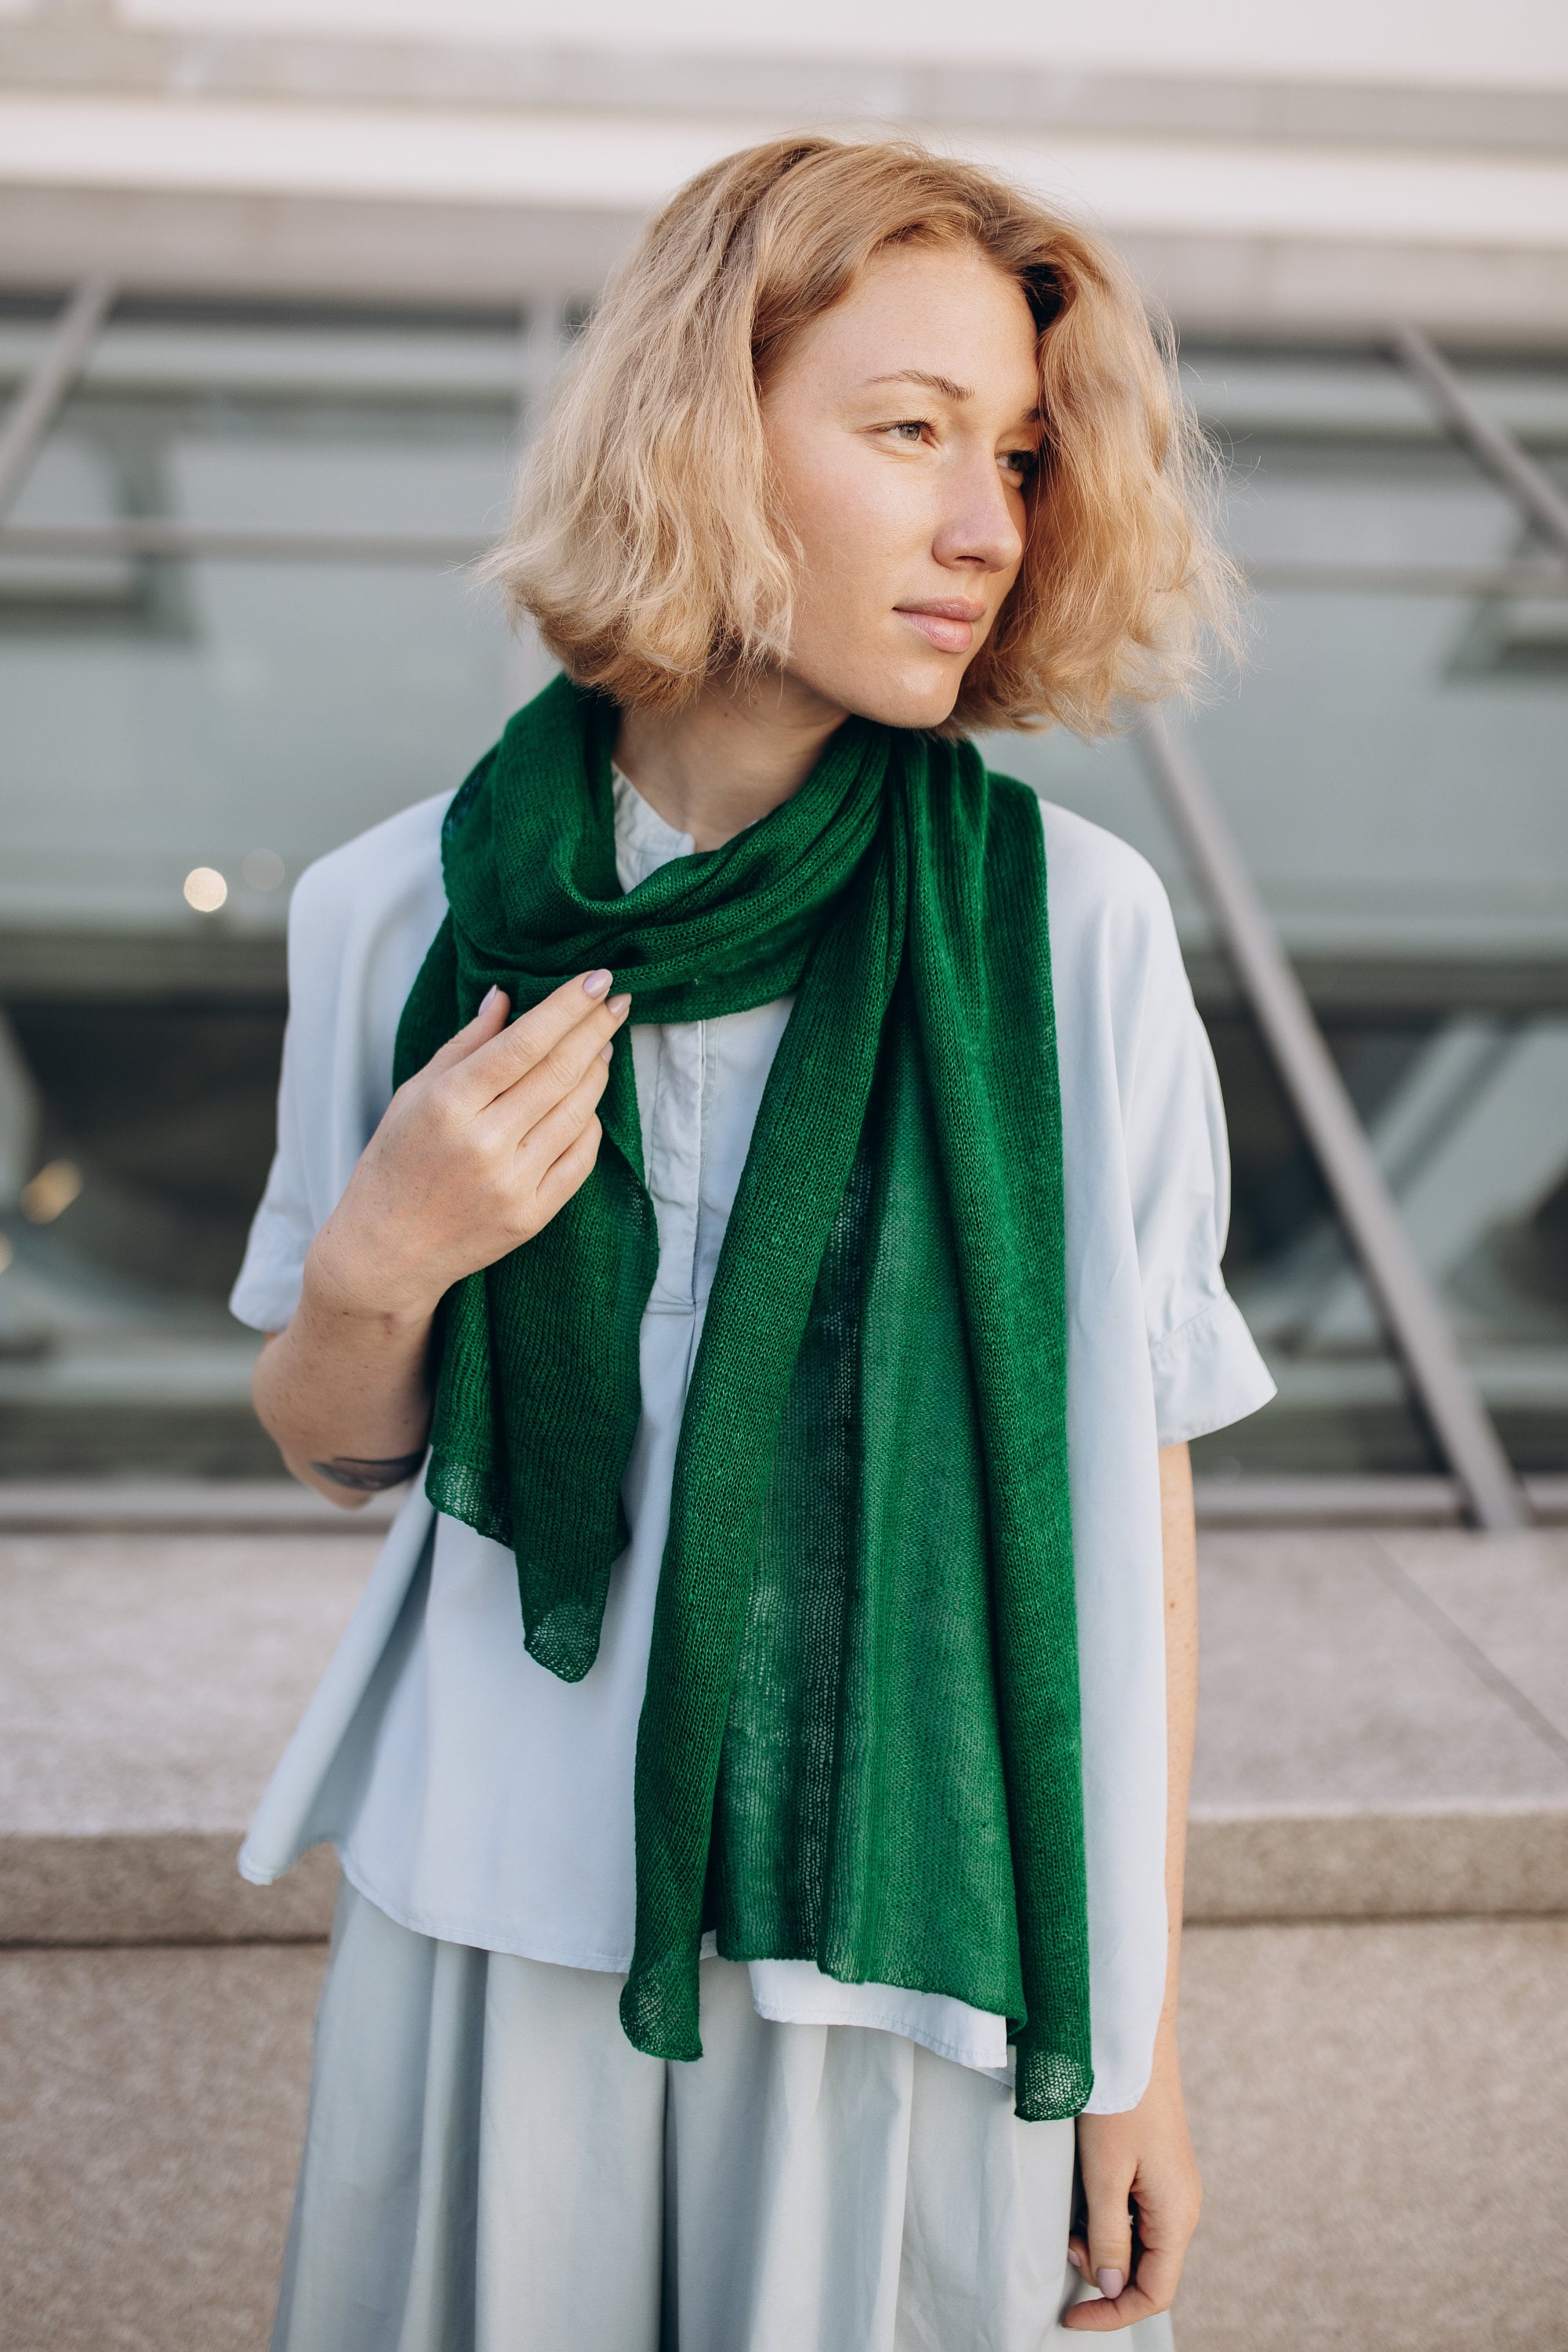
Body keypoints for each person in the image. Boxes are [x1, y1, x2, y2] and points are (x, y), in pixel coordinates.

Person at [232, 135, 1276, 2351]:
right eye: (907, 434)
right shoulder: (397, 913)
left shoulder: (1072, 938)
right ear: (704, 425)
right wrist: (383, 1254)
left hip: (920, 1930)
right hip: (497, 1900)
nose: (985, 526)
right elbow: (335, 1443)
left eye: (1015, 453)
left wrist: (1142, 2034)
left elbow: (1136, 1510)